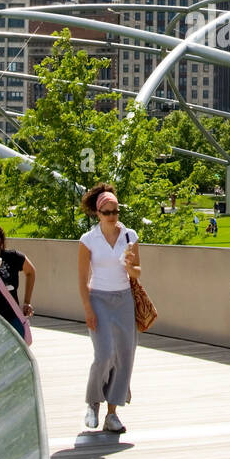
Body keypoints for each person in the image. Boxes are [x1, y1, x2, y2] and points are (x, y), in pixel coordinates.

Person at [77, 184, 140, 435]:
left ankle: (112, 414)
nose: (112, 216)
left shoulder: (129, 235)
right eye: (107, 212)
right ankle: (93, 402)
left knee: (124, 358)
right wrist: (88, 309)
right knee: (104, 354)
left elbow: (138, 273)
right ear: (97, 213)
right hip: (99, 299)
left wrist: (129, 267)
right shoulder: (88, 240)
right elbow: (82, 279)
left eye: (115, 211)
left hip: (124, 299)